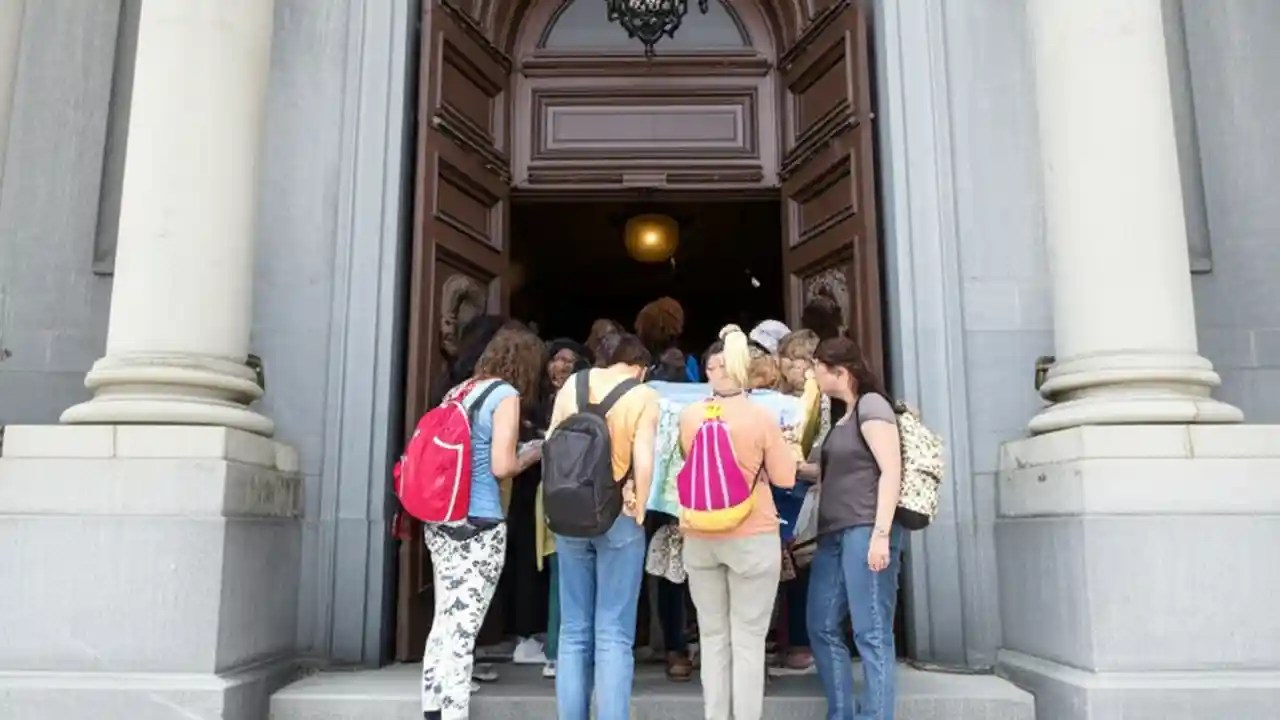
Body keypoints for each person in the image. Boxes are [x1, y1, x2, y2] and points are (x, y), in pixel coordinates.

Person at [421, 325, 545, 720]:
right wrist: (537, 451)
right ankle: (453, 714)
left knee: (445, 619)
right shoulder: (504, 396)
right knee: (464, 626)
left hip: (442, 518)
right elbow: (502, 465)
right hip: (479, 520)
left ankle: (433, 709)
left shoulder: (458, 392)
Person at [678, 325, 798, 720]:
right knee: (747, 639)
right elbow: (785, 478)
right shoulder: (760, 417)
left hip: (699, 534)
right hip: (752, 532)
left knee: (712, 637)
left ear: (711, 371)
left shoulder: (691, 416)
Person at [546, 333, 660, 720]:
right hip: (618, 513)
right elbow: (643, 458)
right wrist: (640, 508)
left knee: (573, 630)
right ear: (640, 367)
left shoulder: (572, 385)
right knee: (613, 632)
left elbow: (552, 445)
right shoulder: (642, 395)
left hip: (569, 512)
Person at [805, 336, 905, 720]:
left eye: (817, 366)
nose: (813, 373)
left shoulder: (872, 405)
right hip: (835, 533)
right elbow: (845, 469)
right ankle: (842, 713)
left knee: (872, 629)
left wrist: (881, 535)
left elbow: (890, 469)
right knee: (821, 624)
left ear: (840, 371)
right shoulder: (844, 414)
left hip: (866, 528)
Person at [633, 297, 695, 679]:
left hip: (646, 475)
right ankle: (678, 647)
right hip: (679, 478)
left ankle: (652, 639)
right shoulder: (682, 364)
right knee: (679, 566)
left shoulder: (642, 368)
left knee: (651, 562)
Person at [536, 338, 593, 679]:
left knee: (568, 571)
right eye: (556, 359)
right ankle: (558, 653)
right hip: (560, 492)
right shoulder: (539, 402)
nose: (561, 366)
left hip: (571, 490)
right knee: (563, 570)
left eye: (569, 361)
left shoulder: (575, 401)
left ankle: (563, 652)